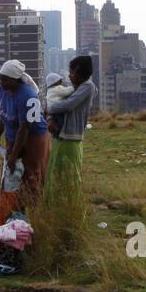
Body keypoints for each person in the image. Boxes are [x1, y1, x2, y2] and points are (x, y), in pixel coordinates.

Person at [0, 59, 50, 222]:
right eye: (0, 78)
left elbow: (24, 129)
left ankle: (35, 217)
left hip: (33, 138)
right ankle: (14, 214)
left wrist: (14, 155)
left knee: (31, 175)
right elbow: (3, 115)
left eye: (4, 79)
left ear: (15, 80)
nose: (1, 82)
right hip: (12, 136)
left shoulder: (28, 96)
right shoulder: (3, 90)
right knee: (11, 176)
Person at [43, 55, 96, 206]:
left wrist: (49, 109)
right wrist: (50, 117)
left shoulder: (87, 86)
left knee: (70, 177)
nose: (69, 76)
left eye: (72, 73)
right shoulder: (77, 88)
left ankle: (71, 210)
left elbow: (67, 105)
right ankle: (55, 209)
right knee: (55, 174)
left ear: (79, 73)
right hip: (60, 136)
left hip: (71, 138)